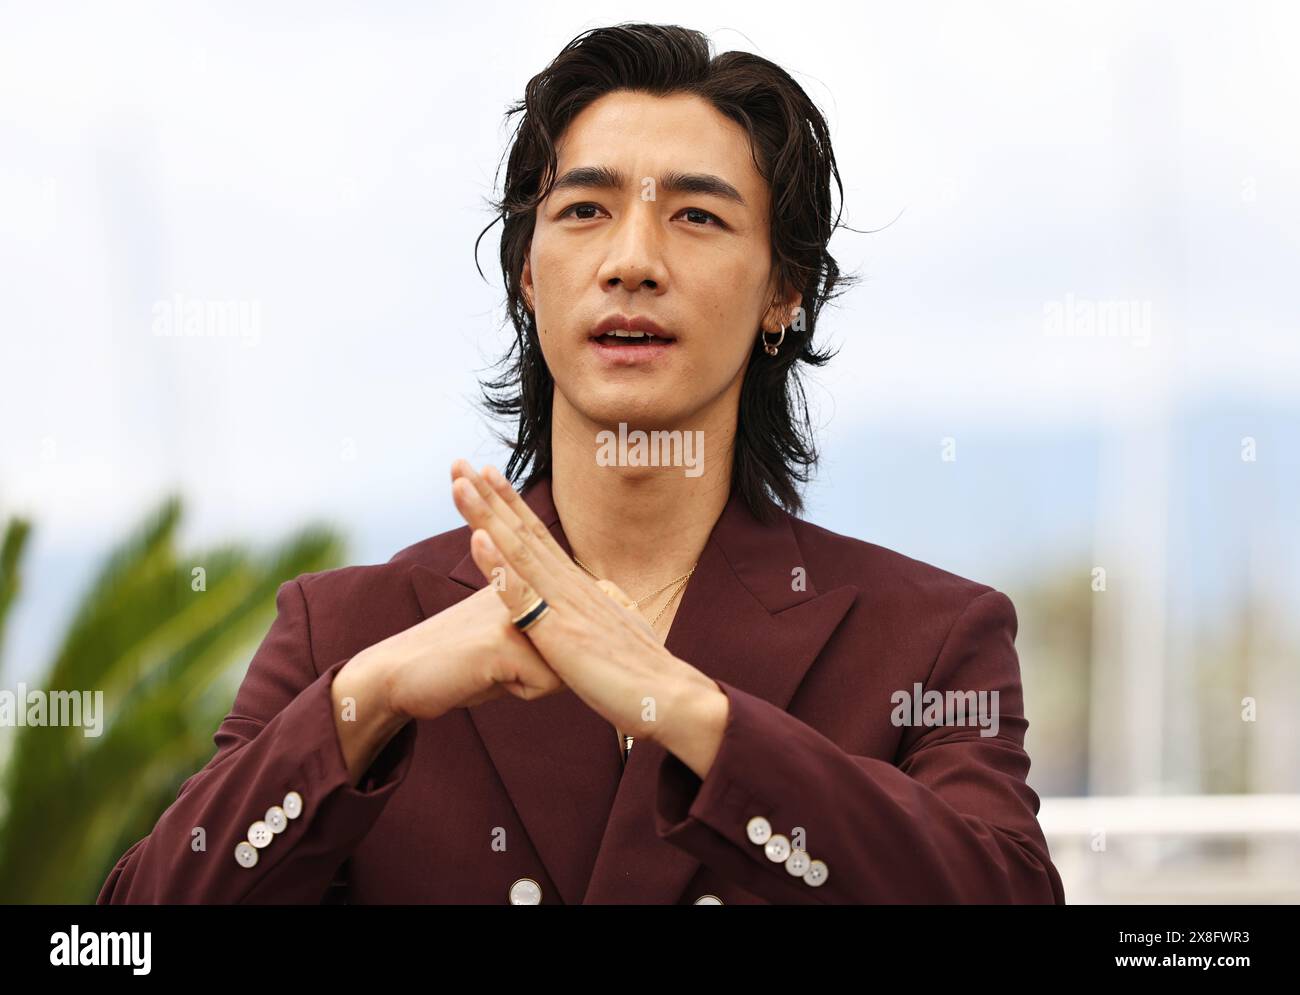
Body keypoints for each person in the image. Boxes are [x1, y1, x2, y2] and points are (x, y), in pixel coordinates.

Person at [97, 22, 1065, 905]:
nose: (632, 260)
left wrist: (691, 708)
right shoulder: (349, 635)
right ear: (527, 273)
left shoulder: (927, 638)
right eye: (585, 211)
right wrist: (370, 699)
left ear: (784, 293)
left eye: (696, 217)